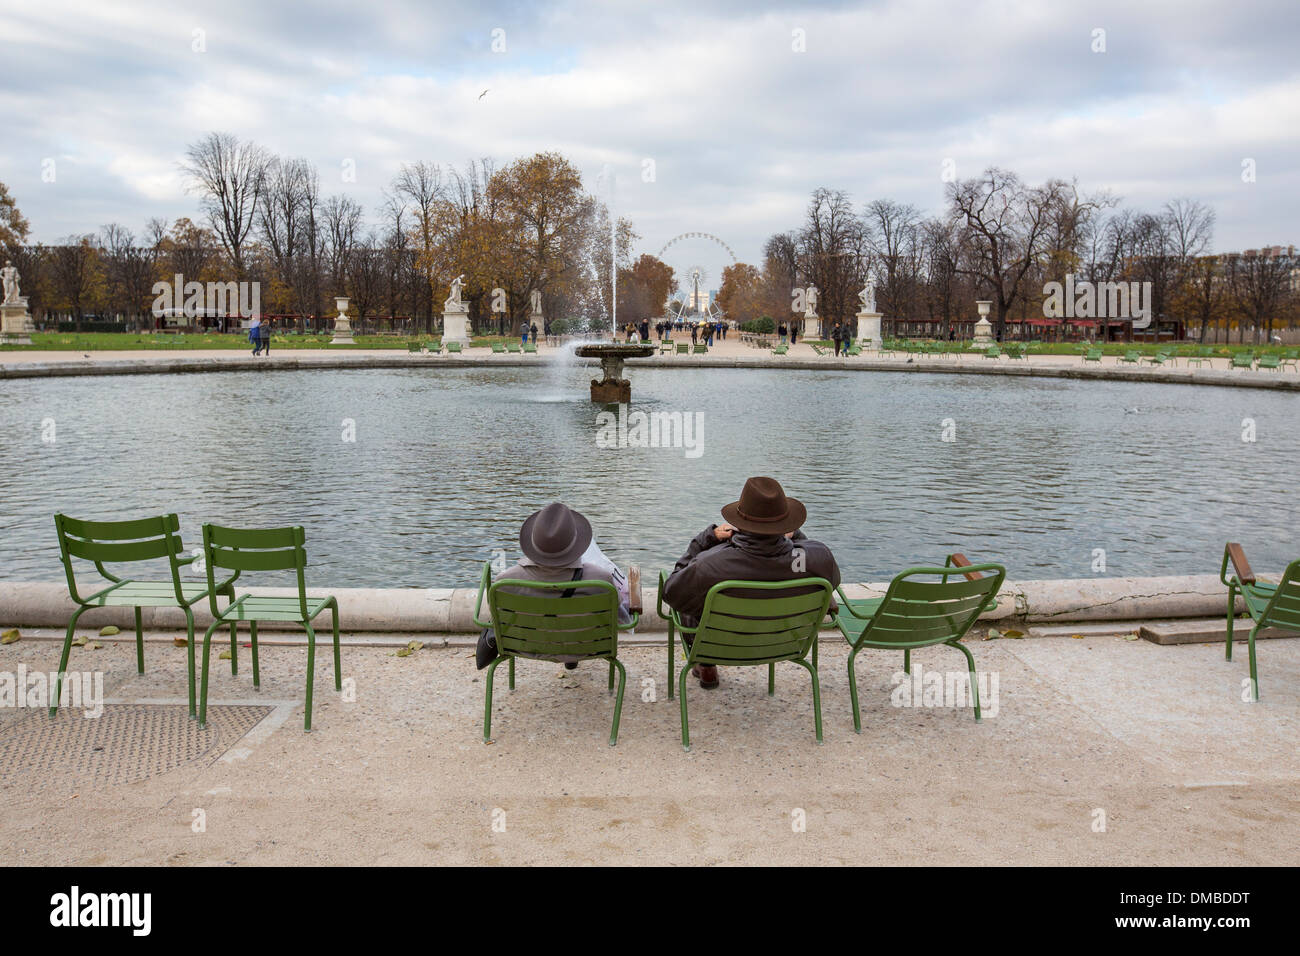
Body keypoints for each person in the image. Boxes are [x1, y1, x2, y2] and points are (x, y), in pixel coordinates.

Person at [661, 477, 840, 689]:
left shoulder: (710, 565)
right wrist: (794, 538)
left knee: (690, 590)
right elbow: (826, 576)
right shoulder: (819, 557)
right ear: (786, 523)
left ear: (740, 522)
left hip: (719, 646)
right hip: (783, 645)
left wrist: (705, 539)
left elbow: (671, 592)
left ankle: (705, 662)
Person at [475, 503, 633, 670]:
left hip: (525, 647)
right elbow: (615, 611)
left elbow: (495, 613)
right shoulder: (601, 579)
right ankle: (570, 653)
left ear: (533, 542)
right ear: (576, 544)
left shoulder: (505, 582)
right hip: (586, 647)